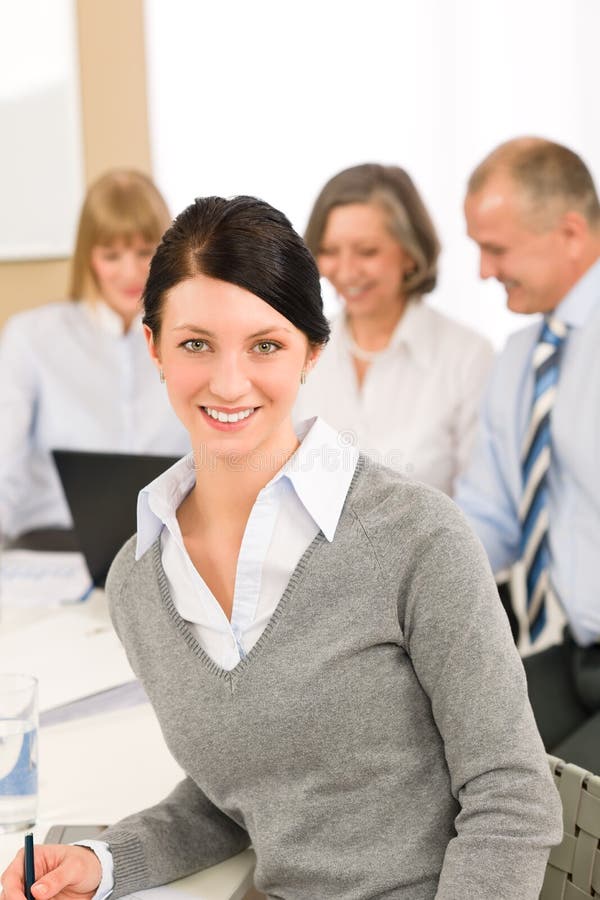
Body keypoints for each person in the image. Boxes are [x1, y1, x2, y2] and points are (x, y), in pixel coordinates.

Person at [1, 195, 561, 900]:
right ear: (155, 348)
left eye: (265, 345)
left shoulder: (417, 539)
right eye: (196, 343)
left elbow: (511, 800)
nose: (229, 382)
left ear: (310, 353)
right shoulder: (139, 580)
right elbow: (232, 797)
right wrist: (103, 862)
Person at [455, 137, 600, 771]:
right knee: (450, 773)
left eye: (497, 248)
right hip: (571, 652)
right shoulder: (519, 360)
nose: (485, 271)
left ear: (570, 231)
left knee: (552, 824)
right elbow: (489, 522)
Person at [0, 169, 189, 542]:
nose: (130, 272)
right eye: (111, 255)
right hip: (55, 542)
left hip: (167, 541)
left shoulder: (193, 340)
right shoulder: (32, 337)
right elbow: (5, 460)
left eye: (143, 252)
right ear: (89, 257)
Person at [293, 163, 494, 495]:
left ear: (411, 254)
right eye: (329, 251)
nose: (345, 271)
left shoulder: (467, 357)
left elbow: (482, 507)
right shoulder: (300, 349)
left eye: (367, 252)